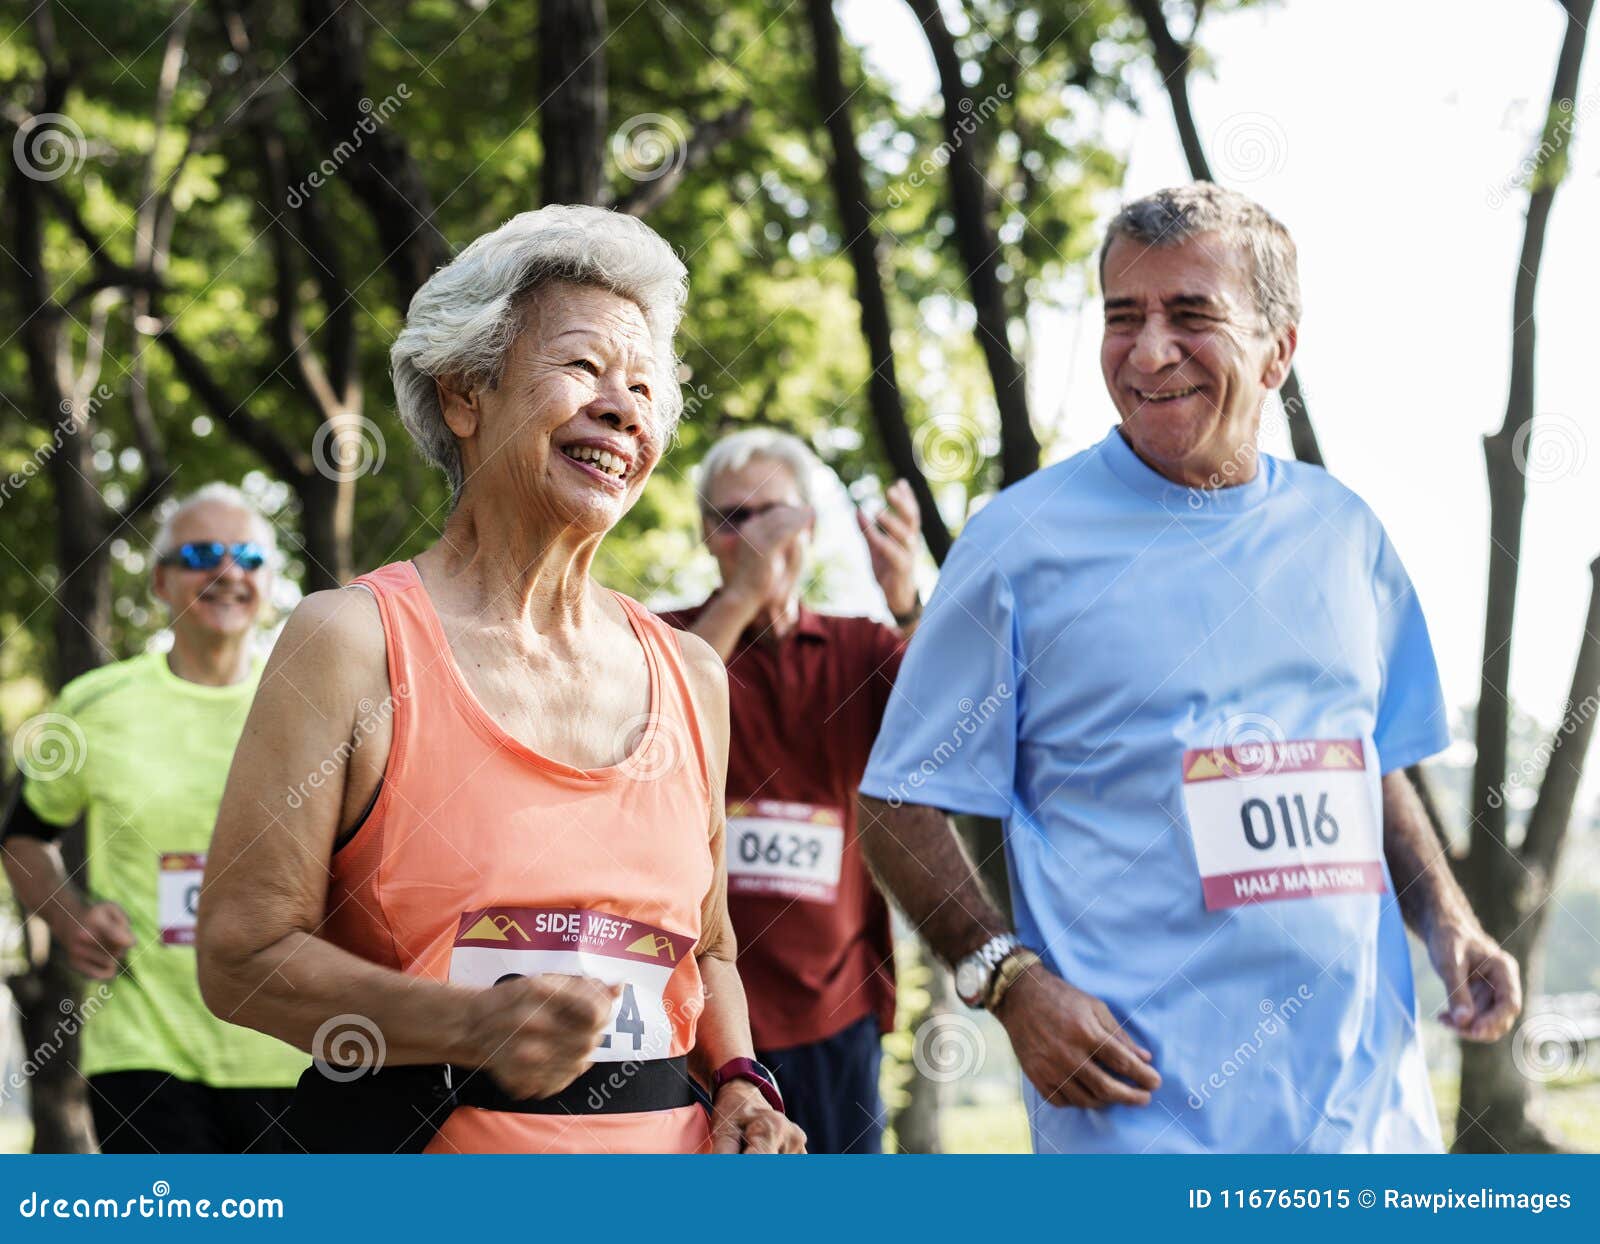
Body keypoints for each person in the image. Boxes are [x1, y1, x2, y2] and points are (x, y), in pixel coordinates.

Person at [857, 183, 1521, 1154]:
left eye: (1190, 314)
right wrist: (1007, 978)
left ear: (1278, 349)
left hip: (1370, 1128)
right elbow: (895, 800)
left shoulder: (1344, 533)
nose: (1149, 351)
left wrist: (1449, 919)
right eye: (1123, 316)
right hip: (1141, 1129)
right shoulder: (1018, 544)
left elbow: (1366, 759)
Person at [195, 205, 804, 1155]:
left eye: (645, 387)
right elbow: (241, 957)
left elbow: (712, 948)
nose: (624, 408)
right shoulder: (351, 642)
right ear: (463, 396)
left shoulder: (692, 674)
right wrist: (470, 1027)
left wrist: (740, 1082)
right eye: (583, 367)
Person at [1, 484, 307, 1153]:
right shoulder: (97, 704)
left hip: (290, 1048)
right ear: (161, 581)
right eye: (201, 555)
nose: (227, 572)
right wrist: (69, 917)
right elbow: (23, 835)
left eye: (248, 558)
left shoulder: (309, 703)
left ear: (269, 583)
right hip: (144, 1050)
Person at [658, 428, 921, 1154]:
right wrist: (743, 597)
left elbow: (955, 727)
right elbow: (656, 733)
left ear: (809, 524)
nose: (755, 537)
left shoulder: (860, 648)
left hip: (835, 1010)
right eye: (731, 518)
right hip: (699, 1014)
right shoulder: (666, 641)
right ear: (706, 534)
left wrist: (906, 605)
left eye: (771, 513)